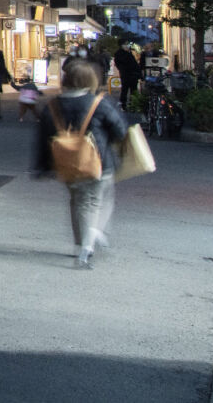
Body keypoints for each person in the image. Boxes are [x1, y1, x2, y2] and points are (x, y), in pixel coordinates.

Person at [34, 58, 130, 268]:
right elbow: (120, 131)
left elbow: (44, 138)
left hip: (67, 166)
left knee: (77, 201)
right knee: (95, 202)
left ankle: (81, 242)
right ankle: (88, 243)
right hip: (98, 165)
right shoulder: (98, 103)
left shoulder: (53, 106)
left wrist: (43, 166)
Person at [113, 42, 143, 110]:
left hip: (133, 75)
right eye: (125, 45)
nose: (127, 46)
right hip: (126, 74)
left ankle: (132, 104)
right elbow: (120, 63)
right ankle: (124, 105)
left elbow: (135, 64)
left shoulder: (129, 53)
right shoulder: (120, 54)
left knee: (133, 90)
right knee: (125, 90)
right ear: (122, 46)